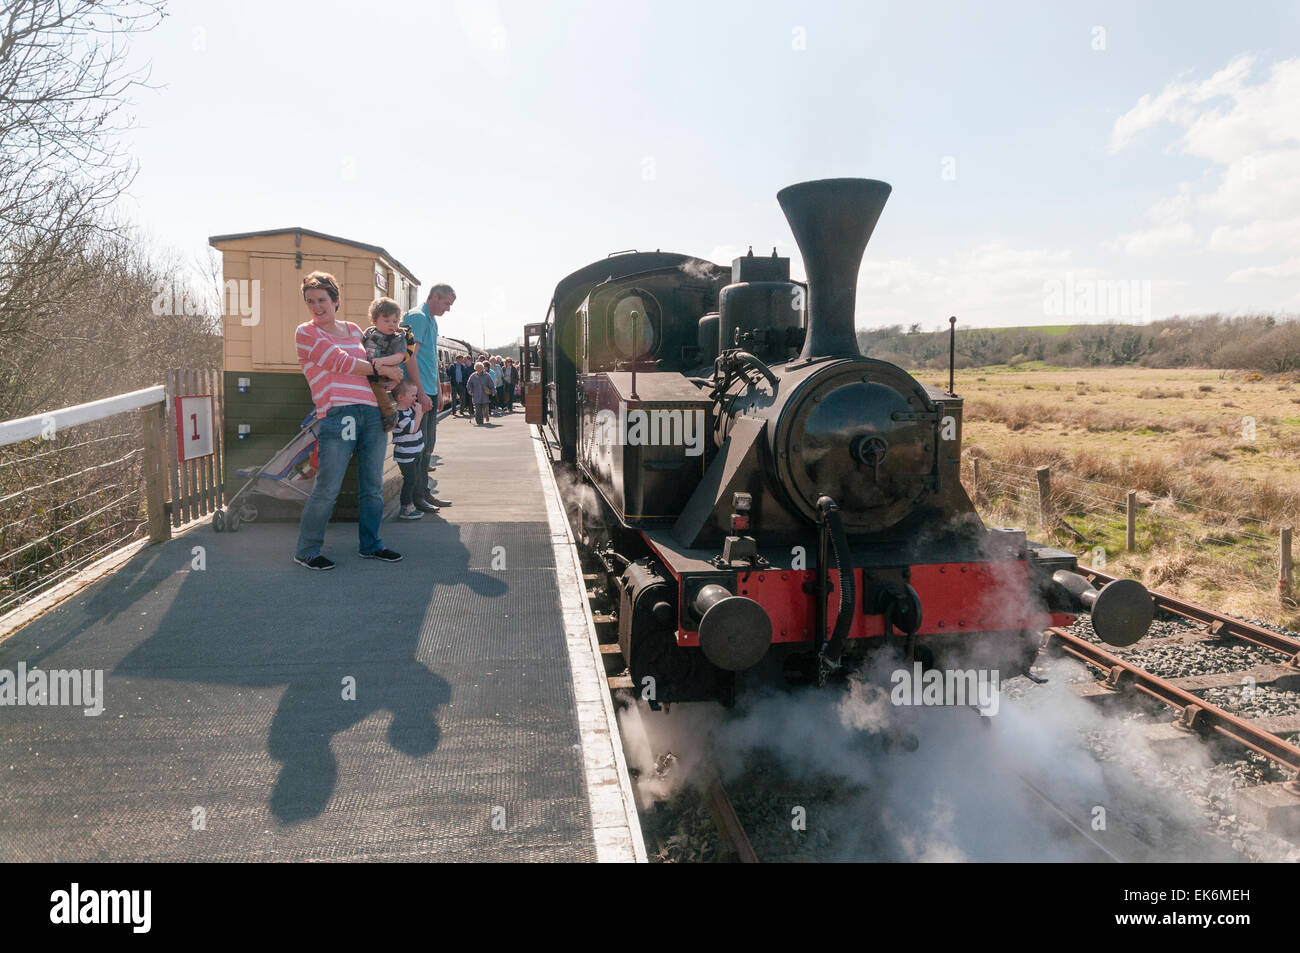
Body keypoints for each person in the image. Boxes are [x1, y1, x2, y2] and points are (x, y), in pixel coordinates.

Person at [293, 270, 402, 570]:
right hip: (338, 413)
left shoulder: (355, 330)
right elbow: (339, 362)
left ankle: (371, 544)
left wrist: (392, 377)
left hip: (371, 411)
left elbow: (372, 362)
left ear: (336, 300)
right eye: (310, 301)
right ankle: (307, 550)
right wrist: (385, 370)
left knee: (372, 486)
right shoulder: (306, 333)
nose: (316, 307)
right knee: (328, 488)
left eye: (322, 300)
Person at [402, 285, 455, 511]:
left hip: (429, 392)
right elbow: (409, 358)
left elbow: (431, 358)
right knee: (418, 447)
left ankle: (424, 493)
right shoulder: (418, 317)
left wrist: (437, 392)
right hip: (417, 393)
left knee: (427, 446)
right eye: (446, 303)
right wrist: (422, 393)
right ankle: (416, 498)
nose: (448, 309)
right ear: (434, 297)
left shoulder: (432, 320)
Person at [361, 297, 415, 431]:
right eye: (386, 321)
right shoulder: (369, 332)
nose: (392, 324)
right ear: (374, 321)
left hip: (387, 370)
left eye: (395, 321)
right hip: (371, 369)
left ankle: (389, 414)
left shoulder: (397, 338)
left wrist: (382, 362)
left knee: (376, 387)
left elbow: (399, 356)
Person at [390, 380, 426, 520]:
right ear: (401, 397)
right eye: (412, 395)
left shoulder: (410, 410)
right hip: (405, 455)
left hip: (415, 451)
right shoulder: (399, 414)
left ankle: (410, 506)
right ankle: (406, 508)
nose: (415, 398)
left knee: (413, 479)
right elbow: (413, 429)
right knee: (410, 480)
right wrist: (419, 414)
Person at [467, 361, 495, 425]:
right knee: (478, 410)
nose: (478, 370)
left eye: (480, 368)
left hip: (485, 395)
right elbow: (469, 384)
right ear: (475, 369)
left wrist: (493, 391)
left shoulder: (487, 375)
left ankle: (486, 415)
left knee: (485, 409)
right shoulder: (473, 376)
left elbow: (491, 385)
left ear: (482, 368)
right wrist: (470, 390)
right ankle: (479, 422)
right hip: (476, 395)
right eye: (477, 369)